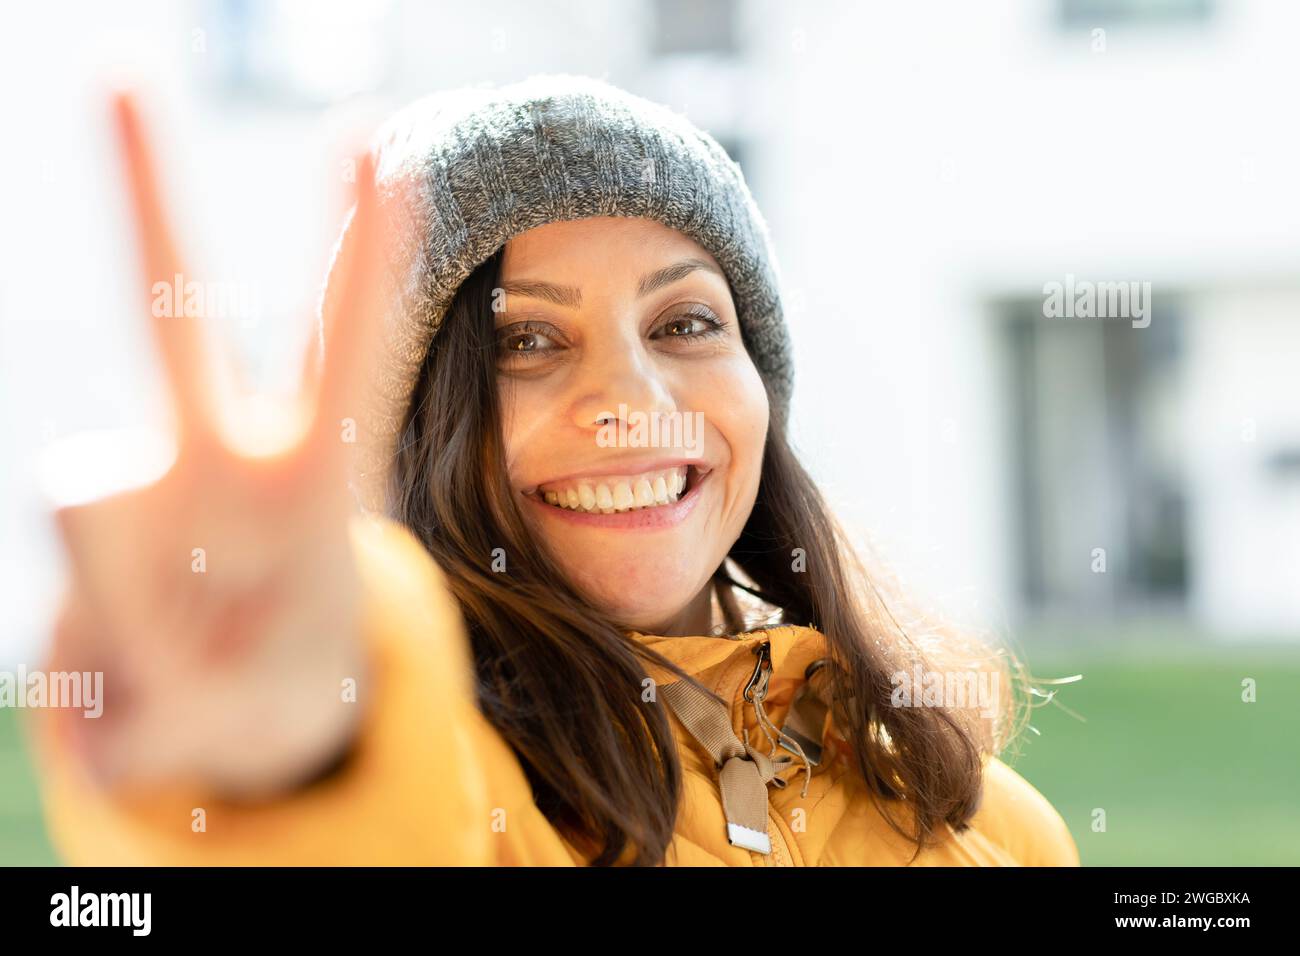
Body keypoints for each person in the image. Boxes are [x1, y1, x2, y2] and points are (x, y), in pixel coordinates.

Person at [32, 74, 1080, 866]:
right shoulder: (451, 791)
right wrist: (282, 759)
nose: (632, 398)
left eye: (684, 322)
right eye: (524, 340)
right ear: (413, 433)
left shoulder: (985, 820)